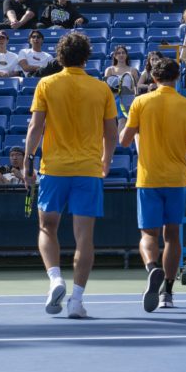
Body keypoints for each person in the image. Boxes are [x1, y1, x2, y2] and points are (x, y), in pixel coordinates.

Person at [25, 31, 119, 319]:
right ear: (86, 56)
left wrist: (27, 161)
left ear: (60, 56)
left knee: (46, 228)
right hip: (88, 170)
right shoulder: (101, 88)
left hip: (53, 169)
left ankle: (55, 278)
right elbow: (111, 132)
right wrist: (106, 161)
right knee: (84, 238)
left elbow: (36, 127)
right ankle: (76, 300)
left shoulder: (47, 84)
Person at [120, 58, 186, 311]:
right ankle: (167, 292)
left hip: (149, 179)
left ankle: (152, 268)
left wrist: (133, 130)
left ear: (154, 78)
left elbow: (124, 141)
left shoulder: (140, 102)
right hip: (177, 180)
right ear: (178, 77)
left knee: (149, 234)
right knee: (172, 237)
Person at [104, 44, 140, 131]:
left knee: (124, 120)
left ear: (126, 55)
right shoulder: (109, 70)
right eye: (118, 53)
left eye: (123, 53)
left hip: (128, 99)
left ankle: (122, 142)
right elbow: (106, 88)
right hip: (114, 99)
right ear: (115, 56)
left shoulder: (133, 70)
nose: (121, 55)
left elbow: (136, 88)